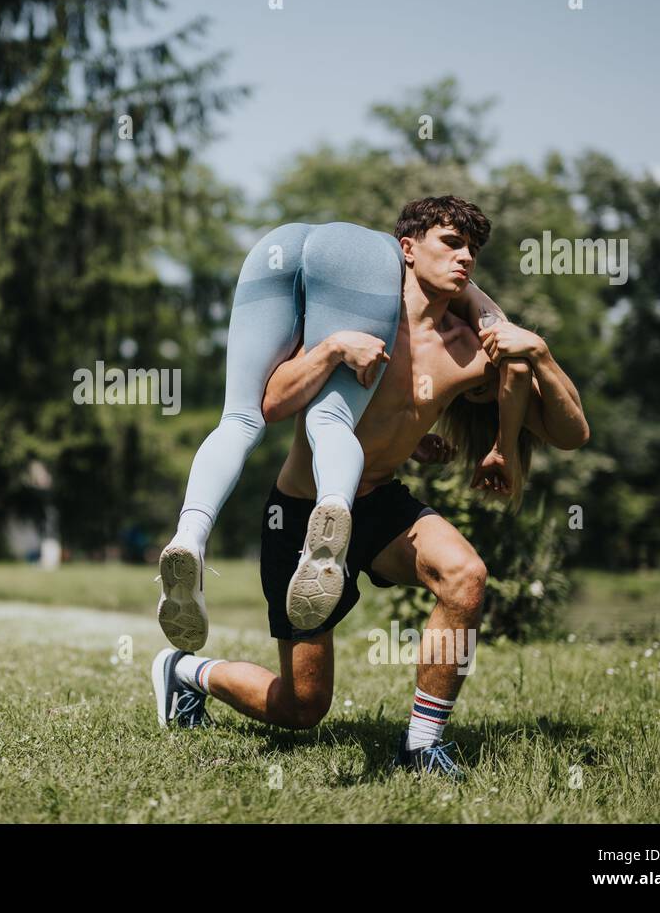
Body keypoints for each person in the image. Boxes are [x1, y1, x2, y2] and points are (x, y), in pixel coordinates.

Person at [151, 196, 590, 777]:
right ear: (406, 250)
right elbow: (271, 403)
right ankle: (184, 672)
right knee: (302, 706)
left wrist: (541, 354)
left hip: (381, 503)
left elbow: (570, 432)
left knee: (466, 576)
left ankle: (423, 744)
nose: (465, 260)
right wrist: (330, 349)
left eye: (473, 250)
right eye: (450, 243)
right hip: (302, 515)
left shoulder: (468, 348)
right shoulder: (351, 317)